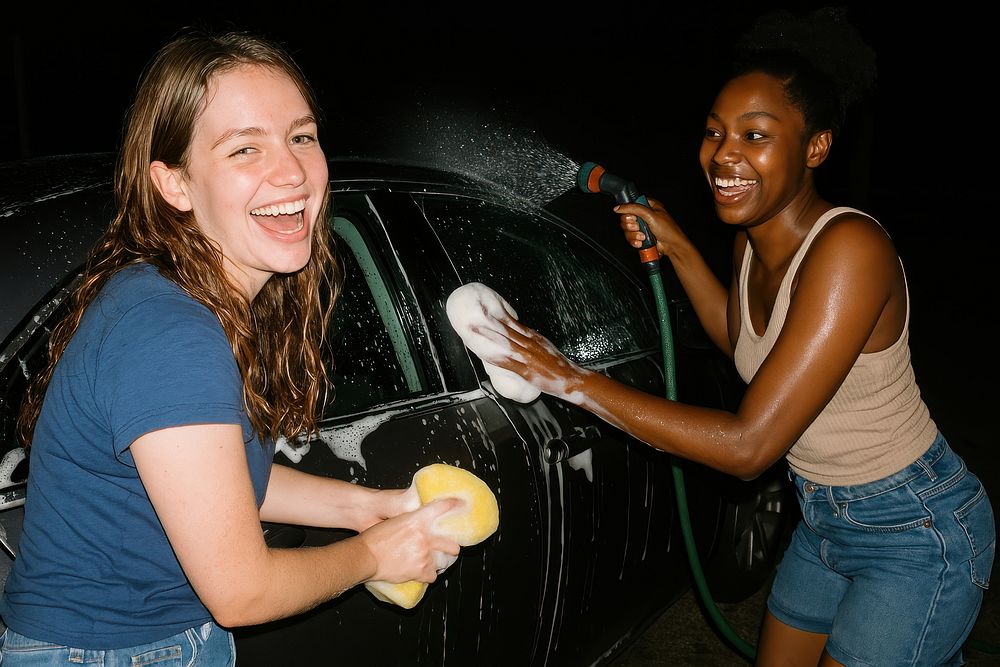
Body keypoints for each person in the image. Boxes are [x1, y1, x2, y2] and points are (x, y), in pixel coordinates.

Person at [472, 7, 995, 667]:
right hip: (825, 519)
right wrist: (682, 247)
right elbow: (749, 344)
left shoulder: (851, 249)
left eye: (755, 134)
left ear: (816, 147)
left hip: (914, 527)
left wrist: (570, 379)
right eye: (716, 132)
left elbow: (750, 445)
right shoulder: (753, 237)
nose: (725, 154)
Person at [0, 29, 462, 664]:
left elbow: (227, 483)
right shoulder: (170, 332)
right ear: (175, 185)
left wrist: (374, 507)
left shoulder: (191, 298)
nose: (292, 170)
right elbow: (241, 593)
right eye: (245, 149)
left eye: (301, 137)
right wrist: (379, 553)